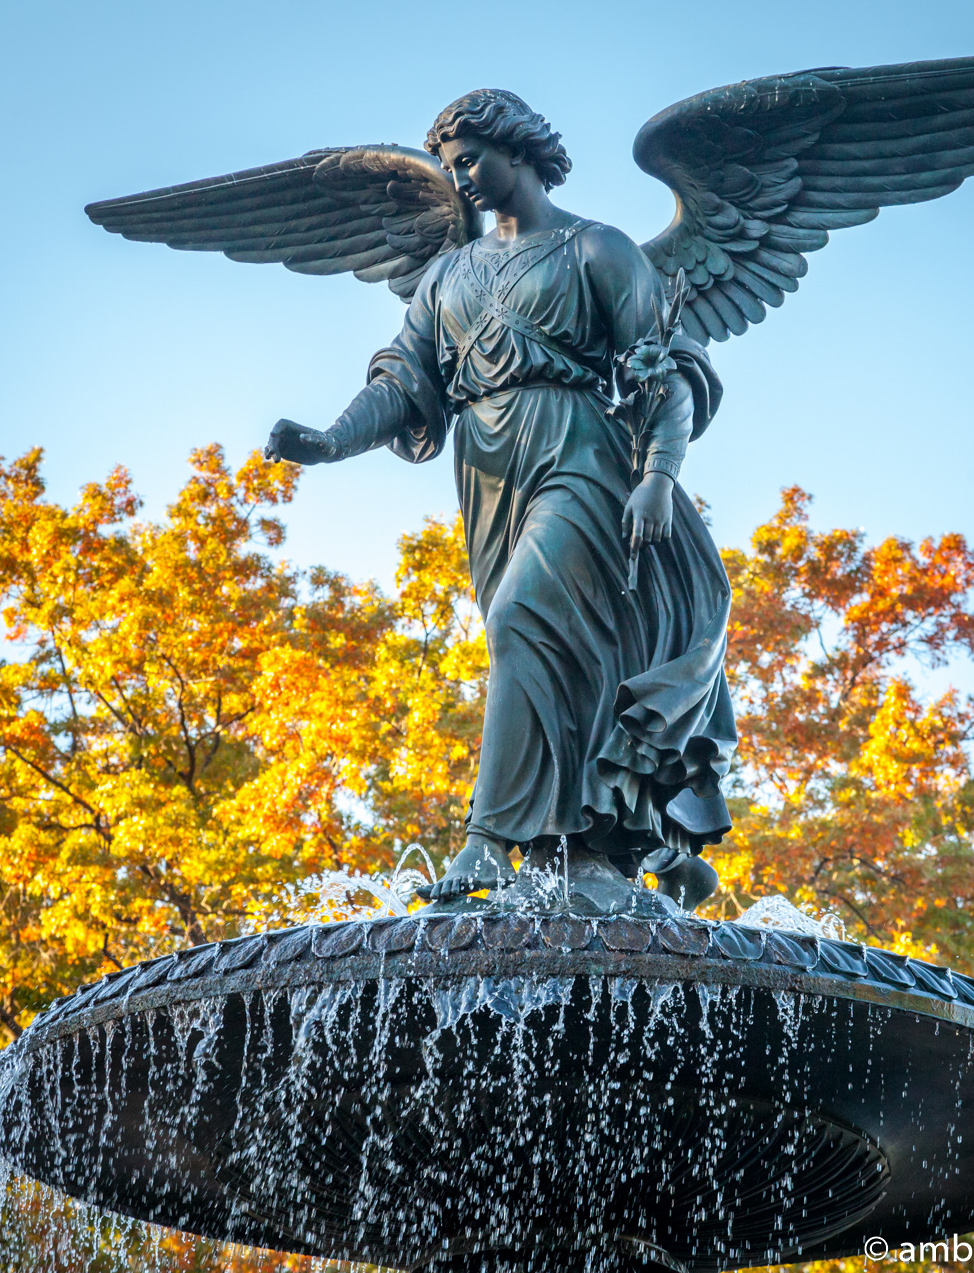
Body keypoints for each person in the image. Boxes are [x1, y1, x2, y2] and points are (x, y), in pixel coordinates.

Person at [266, 90, 734, 910]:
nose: (463, 180)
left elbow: (669, 368)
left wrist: (659, 473)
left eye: (473, 159)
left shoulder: (598, 250)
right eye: (450, 169)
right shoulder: (448, 273)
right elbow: (405, 379)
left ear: (519, 150)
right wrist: (331, 440)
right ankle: (588, 844)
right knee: (553, 654)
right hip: (489, 478)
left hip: (583, 454)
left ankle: (489, 843)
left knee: (524, 615)